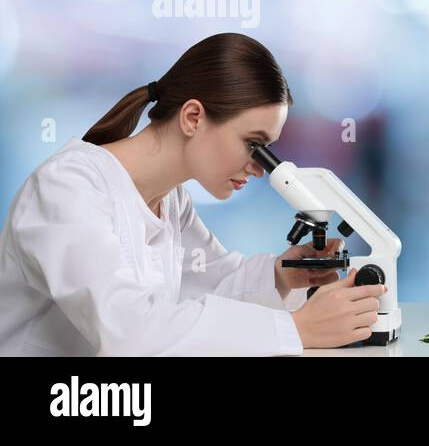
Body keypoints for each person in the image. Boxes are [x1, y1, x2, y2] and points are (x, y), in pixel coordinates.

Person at [0, 33, 382, 356]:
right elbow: (127, 332)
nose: (259, 167)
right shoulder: (68, 187)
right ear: (193, 117)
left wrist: (282, 276)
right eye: (253, 144)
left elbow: (208, 287)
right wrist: (295, 332)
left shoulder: (171, 199)